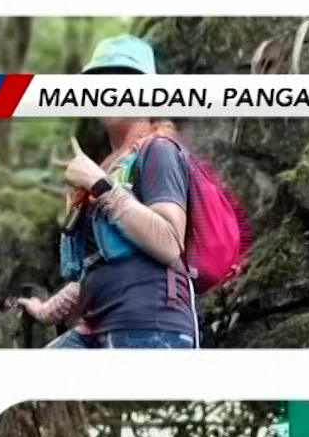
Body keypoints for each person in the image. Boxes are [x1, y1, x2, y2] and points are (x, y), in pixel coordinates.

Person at [11, 35, 200, 349]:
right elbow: (101, 263)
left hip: (149, 328)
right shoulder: (112, 166)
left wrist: (100, 185)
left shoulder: (159, 151)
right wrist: (47, 310)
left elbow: (169, 243)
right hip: (96, 326)